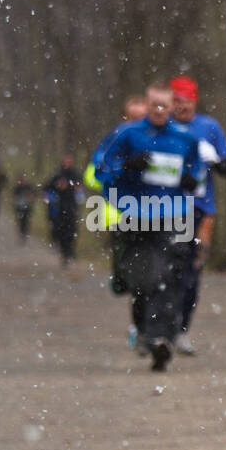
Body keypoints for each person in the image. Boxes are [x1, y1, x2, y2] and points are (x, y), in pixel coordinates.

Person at [96, 80, 202, 371]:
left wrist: (191, 181)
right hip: (135, 214)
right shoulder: (128, 134)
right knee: (142, 280)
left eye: (164, 106)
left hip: (173, 215)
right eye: (153, 104)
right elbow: (101, 167)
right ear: (147, 103)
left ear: (172, 108)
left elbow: (196, 170)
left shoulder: (184, 139)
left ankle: (161, 339)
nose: (158, 110)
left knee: (169, 275)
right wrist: (127, 166)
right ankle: (143, 330)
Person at [169, 75, 226, 356]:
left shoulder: (209, 127)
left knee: (192, 271)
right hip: (164, 207)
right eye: (176, 101)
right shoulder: (162, 128)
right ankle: (156, 326)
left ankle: (181, 330)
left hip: (200, 210)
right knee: (165, 269)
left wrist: (215, 159)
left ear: (195, 101)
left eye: (186, 101)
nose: (181, 107)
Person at [85, 94, 149, 342]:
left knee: (148, 276)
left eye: (142, 118)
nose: (137, 123)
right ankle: (122, 281)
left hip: (154, 216)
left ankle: (141, 327)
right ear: (125, 118)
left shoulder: (159, 142)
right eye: (133, 118)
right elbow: (92, 175)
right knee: (128, 274)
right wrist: (120, 172)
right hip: (119, 216)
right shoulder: (116, 140)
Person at [44, 154, 83, 266]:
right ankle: (64, 253)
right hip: (59, 207)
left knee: (72, 230)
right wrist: (54, 191)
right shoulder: (58, 175)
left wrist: (73, 188)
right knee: (61, 231)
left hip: (72, 207)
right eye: (65, 160)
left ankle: (70, 250)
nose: (67, 163)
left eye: (69, 161)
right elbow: (47, 188)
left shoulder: (76, 174)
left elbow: (80, 188)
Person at [13, 175, 34, 243]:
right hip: (19, 208)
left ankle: (24, 234)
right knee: (21, 222)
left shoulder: (28, 187)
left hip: (27, 208)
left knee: (26, 221)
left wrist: (29, 197)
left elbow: (32, 196)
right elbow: (14, 198)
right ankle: (22, 234)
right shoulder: (17, 188)